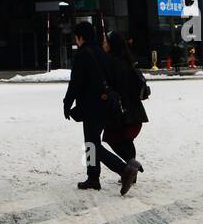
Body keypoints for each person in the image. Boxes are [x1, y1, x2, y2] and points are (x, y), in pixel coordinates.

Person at [63, 22, 138, 195]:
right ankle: (93, 178)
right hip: (105, 106)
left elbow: (75, 83)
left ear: (80, 37)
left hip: (91, 107)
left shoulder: (83, 54)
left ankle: (124, 169)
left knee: (93, 144)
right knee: (91, 142)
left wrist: (67, 103)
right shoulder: (104, 54)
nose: (77, 40)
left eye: (76, 37)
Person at [102, 31, 148, 171]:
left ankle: (131, 165)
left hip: (123, 113)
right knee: (127, 142)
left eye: (105, 41)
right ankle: (132, 171)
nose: (103, 44)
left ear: (112, 44)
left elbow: (116, 86)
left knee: (112, 139)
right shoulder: (126, 59)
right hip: (135, 112)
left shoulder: (113, 62)